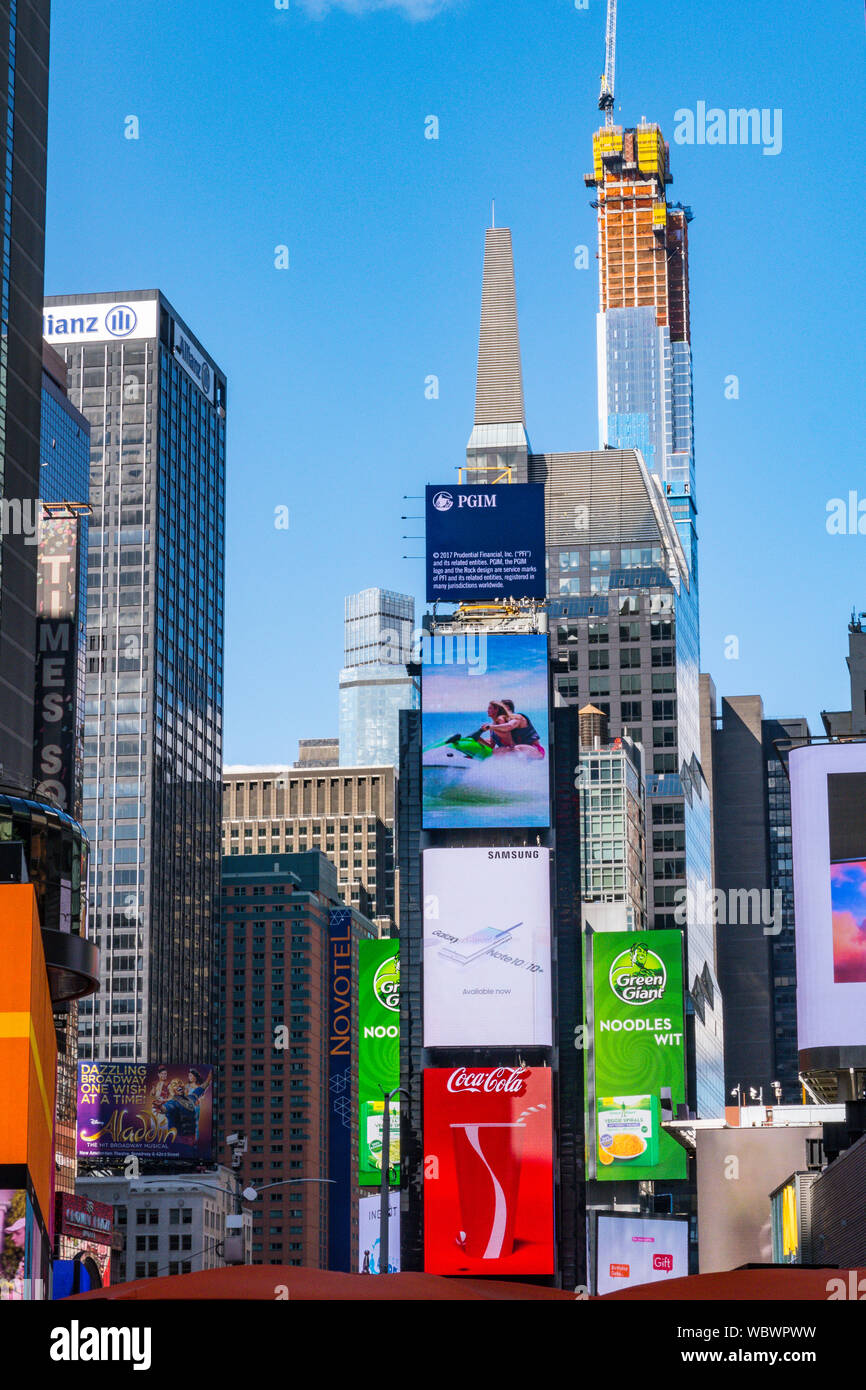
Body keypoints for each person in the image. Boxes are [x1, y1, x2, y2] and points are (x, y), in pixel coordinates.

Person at [480, 699, 545, 758]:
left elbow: (509, 726)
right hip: (521, 752)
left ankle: (521, 769)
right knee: (497, 751)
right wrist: (480, 740)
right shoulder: (497, 725)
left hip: (535, 750)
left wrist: (491, 727)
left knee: (516, 748)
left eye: (502, 709)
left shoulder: (518, 717)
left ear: (507, 709)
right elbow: (492, 745)